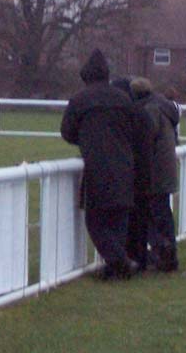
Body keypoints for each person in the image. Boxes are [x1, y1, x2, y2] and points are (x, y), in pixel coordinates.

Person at [61, 50, 140, 280]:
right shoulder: (124, 99)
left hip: (97, 167)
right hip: (125, 166)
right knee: (118, 220)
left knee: (95, 222)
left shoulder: (80, 100)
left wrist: (86, 140)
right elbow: (135, 130)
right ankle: (117, 267)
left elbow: (67, 132)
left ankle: (120, 262)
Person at [129, 77, 180, 272]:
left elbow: (145, 139)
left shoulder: (149, 110)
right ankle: (169, 254)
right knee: (163, 214)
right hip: (166, 168)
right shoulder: (164, 107)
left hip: (154, 170)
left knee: (151, 214)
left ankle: (163, 251)